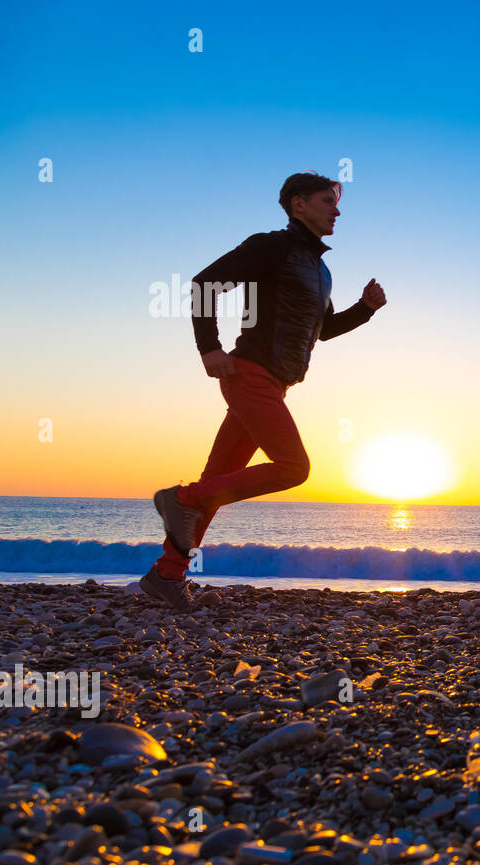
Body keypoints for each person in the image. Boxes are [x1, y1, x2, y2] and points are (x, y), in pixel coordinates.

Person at [139, 172, 387, 611]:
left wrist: (364, 310)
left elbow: (323, 330)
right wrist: (209, 348)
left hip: (275, 383)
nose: (337, 210)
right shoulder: (271, 246)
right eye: (327, 200)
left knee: (218, 483)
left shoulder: (319, 269)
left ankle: (166, 575)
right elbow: (203, 285)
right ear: (298, 205)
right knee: (293, 467)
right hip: (249, 373)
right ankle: (179, 498)